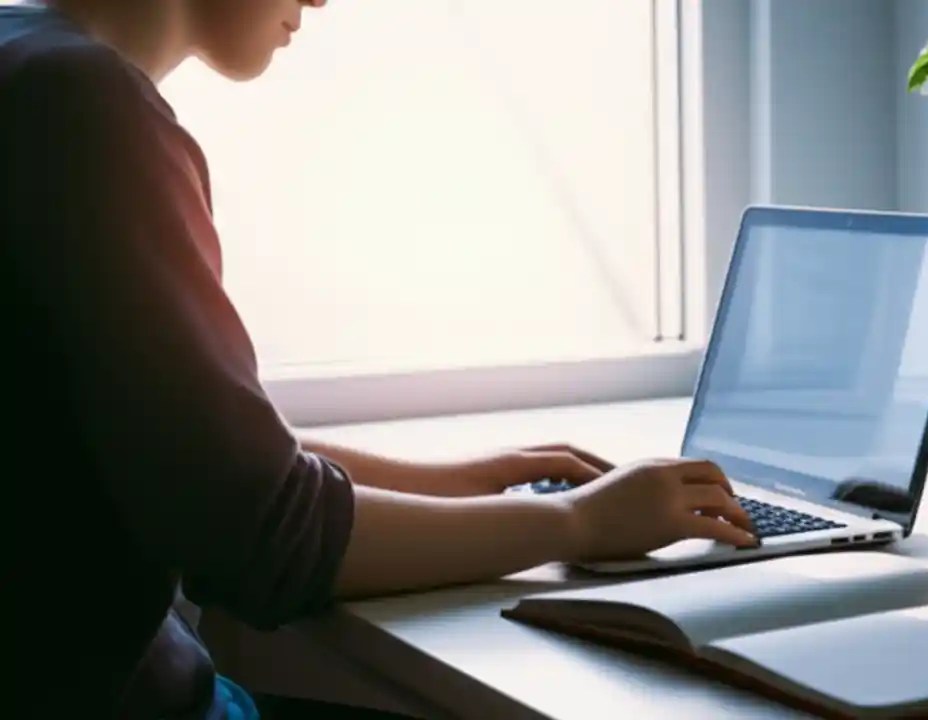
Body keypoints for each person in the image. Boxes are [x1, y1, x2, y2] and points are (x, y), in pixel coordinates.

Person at [0, 1, 759, 718]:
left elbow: (188, 456)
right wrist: (579, 522)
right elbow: (264, 540)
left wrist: (463, 482)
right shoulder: (82, 108)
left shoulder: (24, 55)